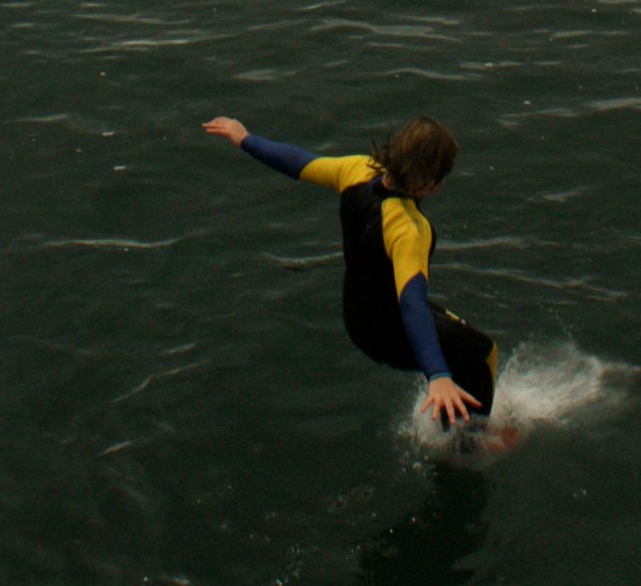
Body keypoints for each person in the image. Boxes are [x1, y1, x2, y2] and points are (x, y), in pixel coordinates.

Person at [202, 113, 499, 431]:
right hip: (386, 335)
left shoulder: (359, 170)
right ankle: (468, 445)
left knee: (455, 332)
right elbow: (411, 302)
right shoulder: (410, 229)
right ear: (428, 182)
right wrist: (437, 375)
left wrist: (245, 138)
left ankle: (451, 414)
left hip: (358, 316)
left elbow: (298, 162)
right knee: (484, 354)